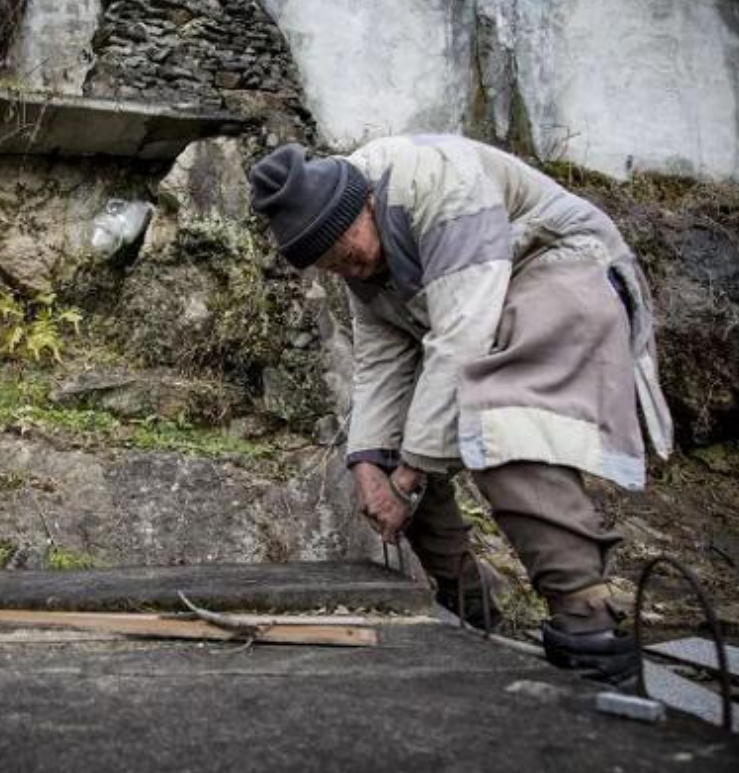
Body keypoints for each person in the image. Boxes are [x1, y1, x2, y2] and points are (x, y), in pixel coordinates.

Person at [250, 136, 673, 683]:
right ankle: (473, 610)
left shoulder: (437, 180)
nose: (348, 270)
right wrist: (369, 464)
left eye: (346, 252)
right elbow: (381, 363)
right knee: (398, 444)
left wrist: (409, 476)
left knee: (503, 410)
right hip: (472, 312)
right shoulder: (358, 256)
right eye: (331, 267)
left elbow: (463, 342)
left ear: (366, 204)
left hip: (558, 262)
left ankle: (586, 621)